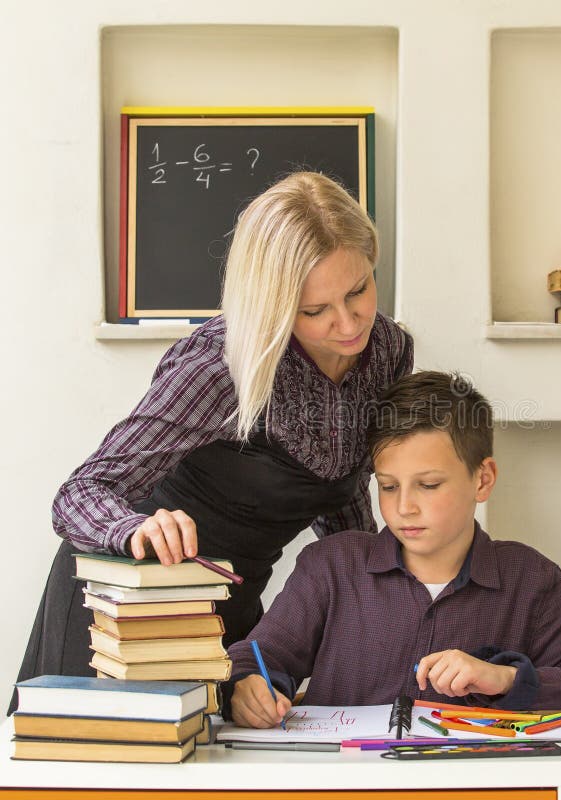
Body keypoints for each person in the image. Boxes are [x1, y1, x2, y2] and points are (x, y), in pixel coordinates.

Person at [9, 171, 413, 714]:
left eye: (358, 290)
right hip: (125, 609)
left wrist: (378, 588)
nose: (347, 322)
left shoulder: (388, 353)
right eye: (314, 311)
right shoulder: (222, 364)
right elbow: (80, 492)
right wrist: (136, 530)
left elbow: (341, 495)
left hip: (228, 607)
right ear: (274, 304)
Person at [226, 371, 561, 727]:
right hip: (343, 779)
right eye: (389, 486)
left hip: (470, 781)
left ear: (482, 479)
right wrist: (247, 687)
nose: (404, 507)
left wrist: (504, 678)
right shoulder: (330, 567)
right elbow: (258, 657)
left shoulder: (534, 580)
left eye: (428, 485)